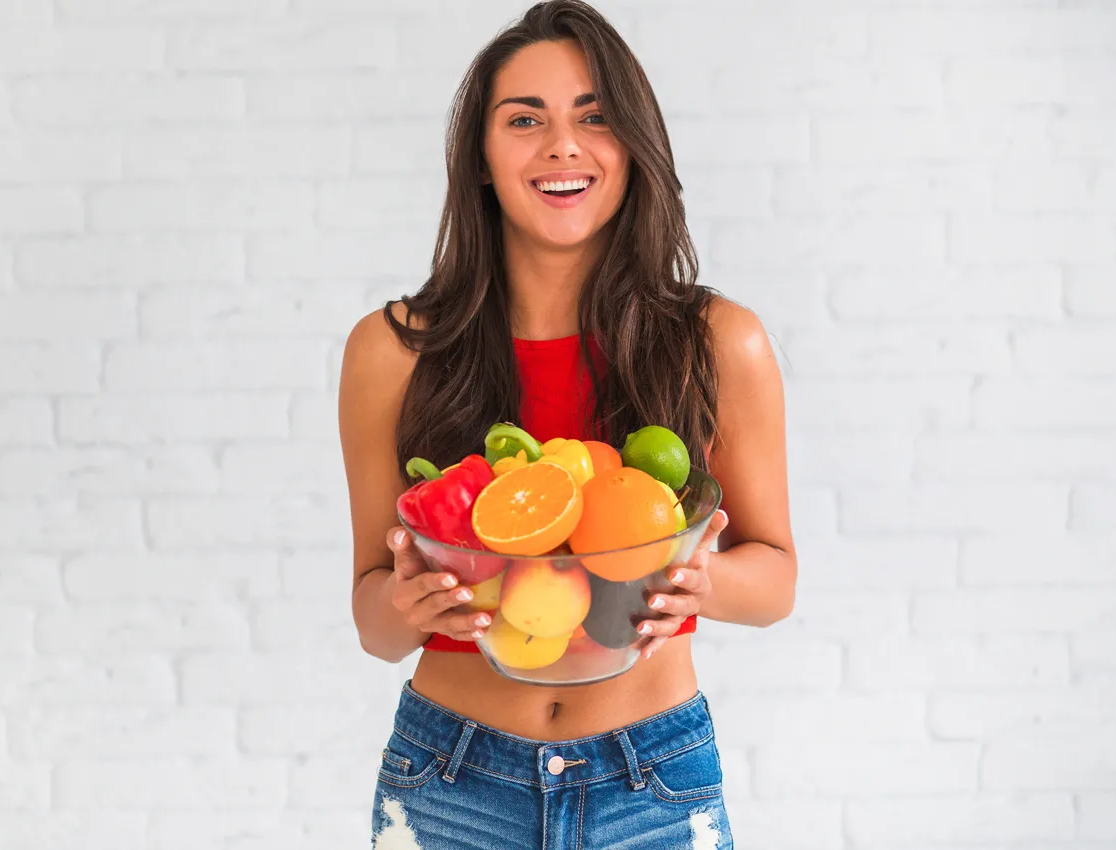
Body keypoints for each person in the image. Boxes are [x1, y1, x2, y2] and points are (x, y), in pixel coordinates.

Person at [338, 2, 796, 846]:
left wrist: (705, 585)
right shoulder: (391, 351)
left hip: (650, 780)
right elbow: (373, 623)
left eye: (595, 117)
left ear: (634, 147)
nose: (562, 146)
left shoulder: (718, 342)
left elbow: (776, 579)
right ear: (480, 156)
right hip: (450, 783)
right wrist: (410, 605)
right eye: (525, 120)